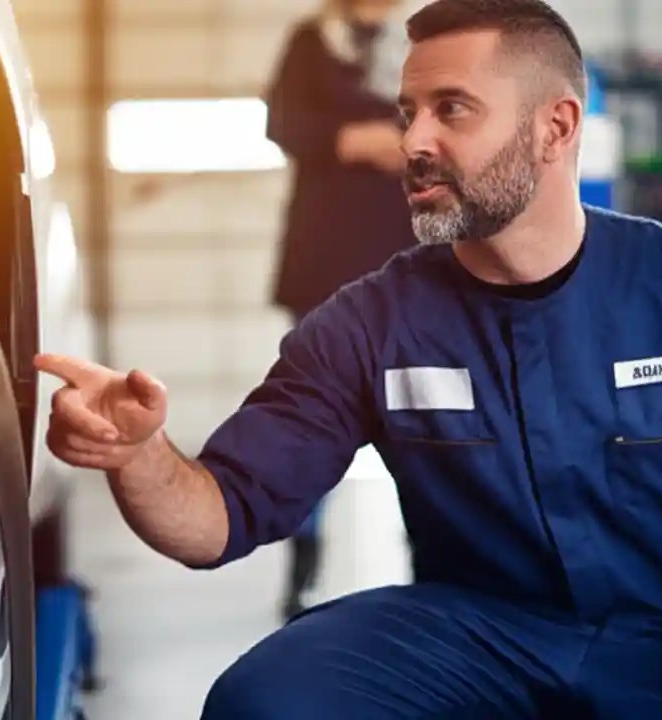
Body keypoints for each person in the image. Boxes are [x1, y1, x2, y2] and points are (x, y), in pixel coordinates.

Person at [35, 1, 662, 717]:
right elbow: (219, 514)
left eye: (451, 109)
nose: (413, 141)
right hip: (472, 636)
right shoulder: (370, 320)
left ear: (555, 128)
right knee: (267, 701)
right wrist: (136, 454)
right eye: (408, 111)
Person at [264, 0, 419, 619]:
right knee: (312, 422)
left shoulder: (422, 38)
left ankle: (437, 563)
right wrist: (351, 140)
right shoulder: (312, 40)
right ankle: (301, 571)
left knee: (422, 422)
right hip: (323, 259)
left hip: (405, 259)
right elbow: (281, 124)